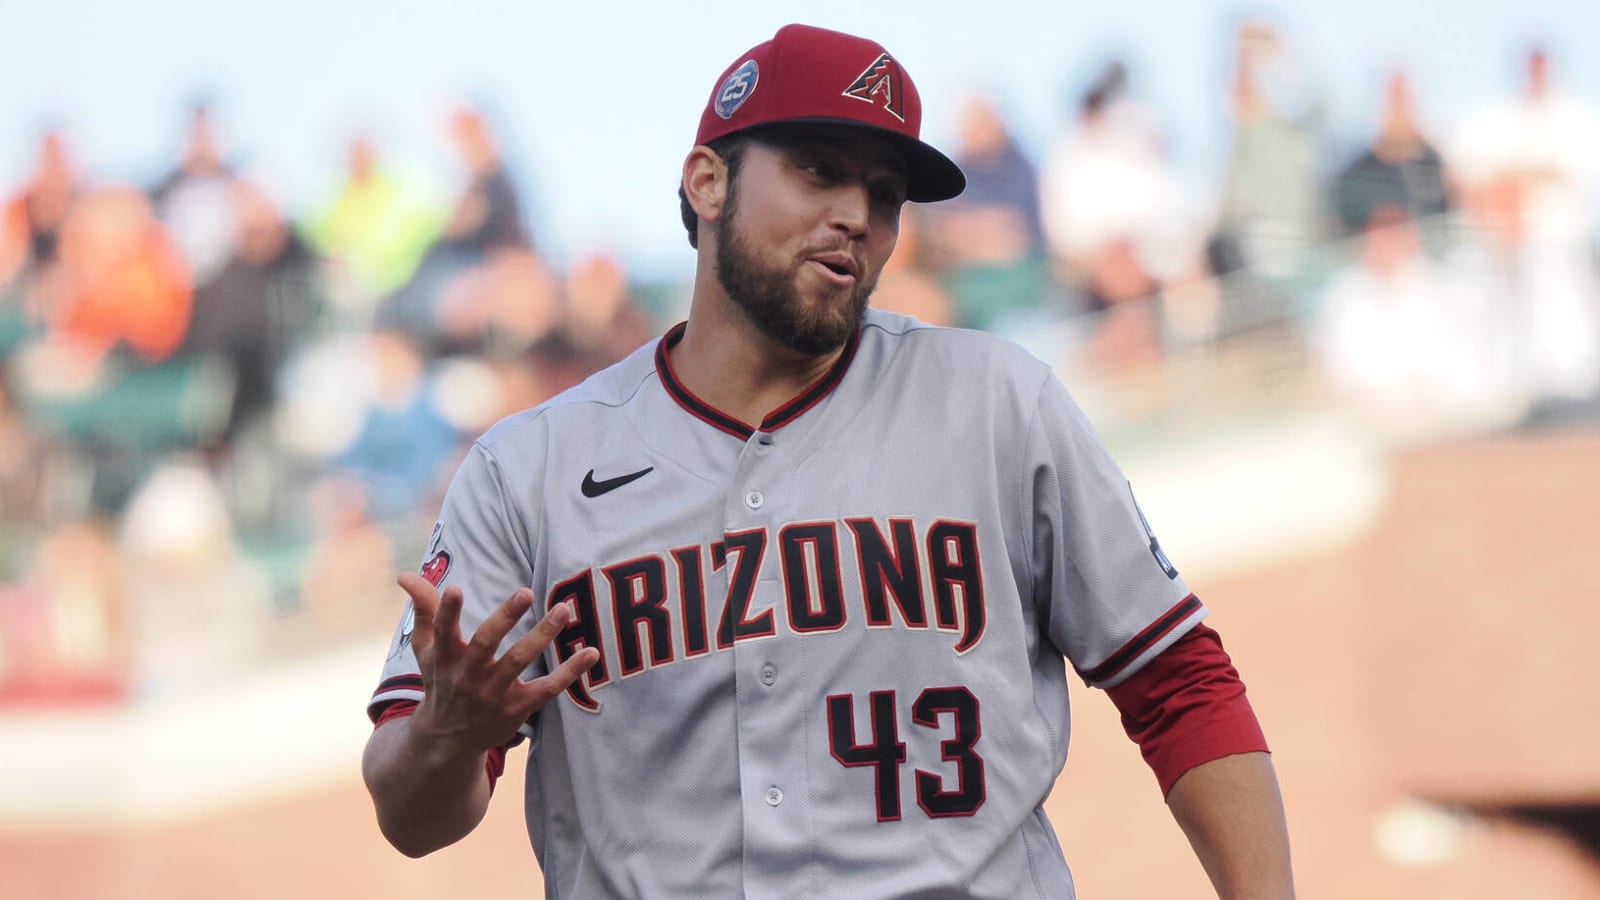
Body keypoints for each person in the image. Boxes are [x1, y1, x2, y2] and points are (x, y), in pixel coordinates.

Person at [362, 23, 1295, 899]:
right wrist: (443, 739)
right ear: (707, 182)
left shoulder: (996, 403)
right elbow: (411, 817)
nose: (855, 214)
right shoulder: (530, 469)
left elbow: (1181, 683)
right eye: (818, 171)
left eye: (883, 194)